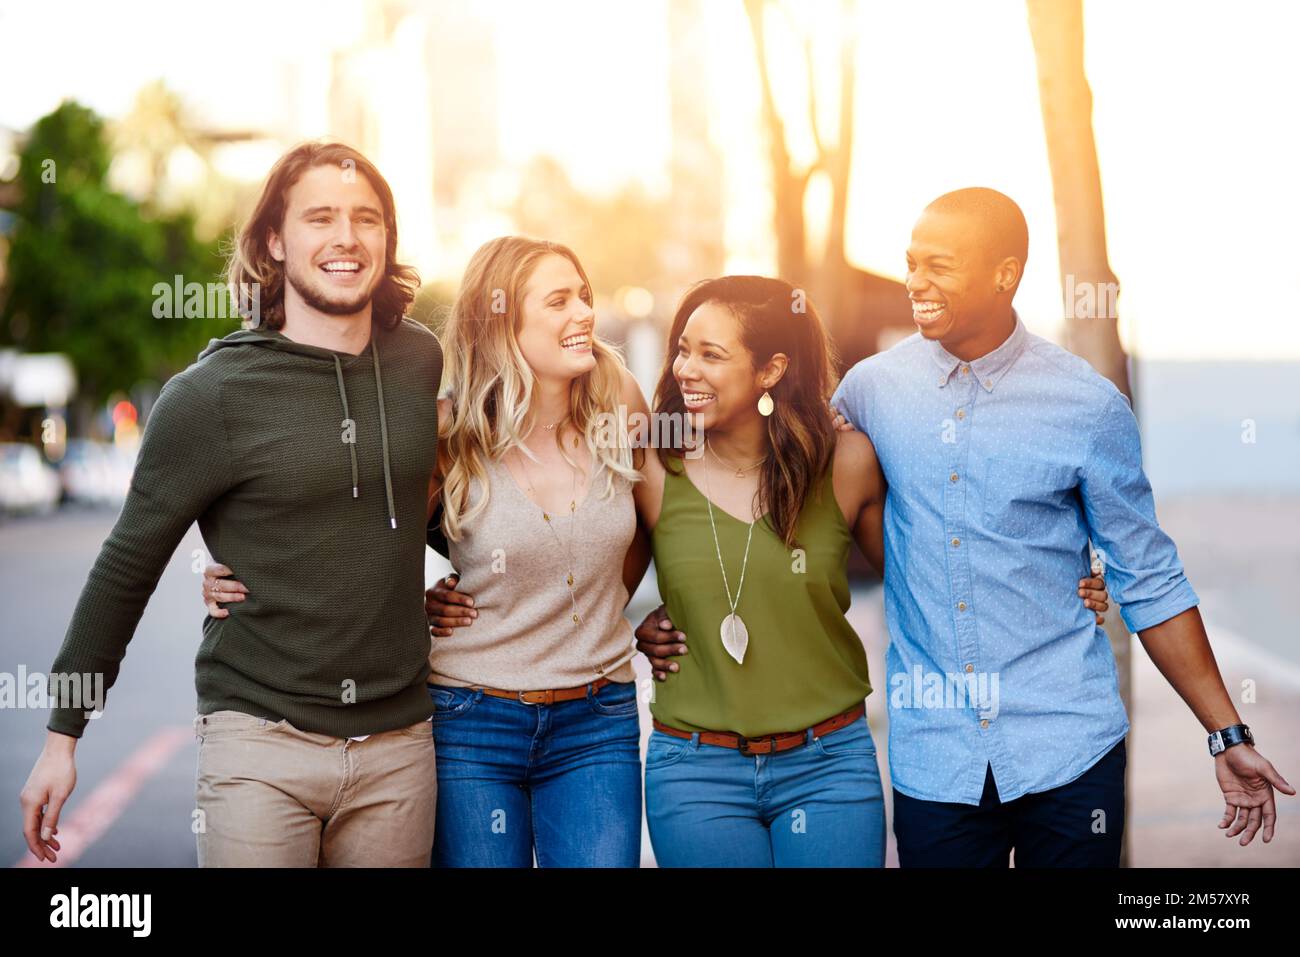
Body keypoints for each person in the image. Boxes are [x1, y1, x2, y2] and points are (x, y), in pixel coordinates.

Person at [646, 187, 1294, 867]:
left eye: (939, 266)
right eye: (911, 262)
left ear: (1005, 273)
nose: (915, 283)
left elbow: (1151, 575)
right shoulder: (869, 393)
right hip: (938, 758)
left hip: (1068, 744)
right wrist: (666, 609)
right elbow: (775, 497)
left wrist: (1225, 730)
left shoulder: (1089, 406)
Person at [427, 273, 1111, 867]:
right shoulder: (654, 469)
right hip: (695, 770)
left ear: (771, 369)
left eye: (711, 354)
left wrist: (1070, 578)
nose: (685, 368)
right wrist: (449, 594)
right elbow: (589, 580)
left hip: (829, 764)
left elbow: (935, 566)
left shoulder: (846, 465)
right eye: (682, 350)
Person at [20, 142, 442, 867]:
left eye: (366, 219)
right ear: (275, 242)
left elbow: (420, 502)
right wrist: (62, 738)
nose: (347, 236)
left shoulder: (419, 361)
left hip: (400, 748)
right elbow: (126, 566)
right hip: (259, 745)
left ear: (387, 238)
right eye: (321, 217)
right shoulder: (208, 396)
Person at [207, 236, 651, 867]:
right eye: (558, 301)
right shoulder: (449, 427)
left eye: (583, 296)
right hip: (473, 719)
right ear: (502, 320)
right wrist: (250, 571)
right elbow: (358, 530)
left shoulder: (620, 401)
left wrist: (594, 607)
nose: (583, 313)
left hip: (598, 718)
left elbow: (648, 531)